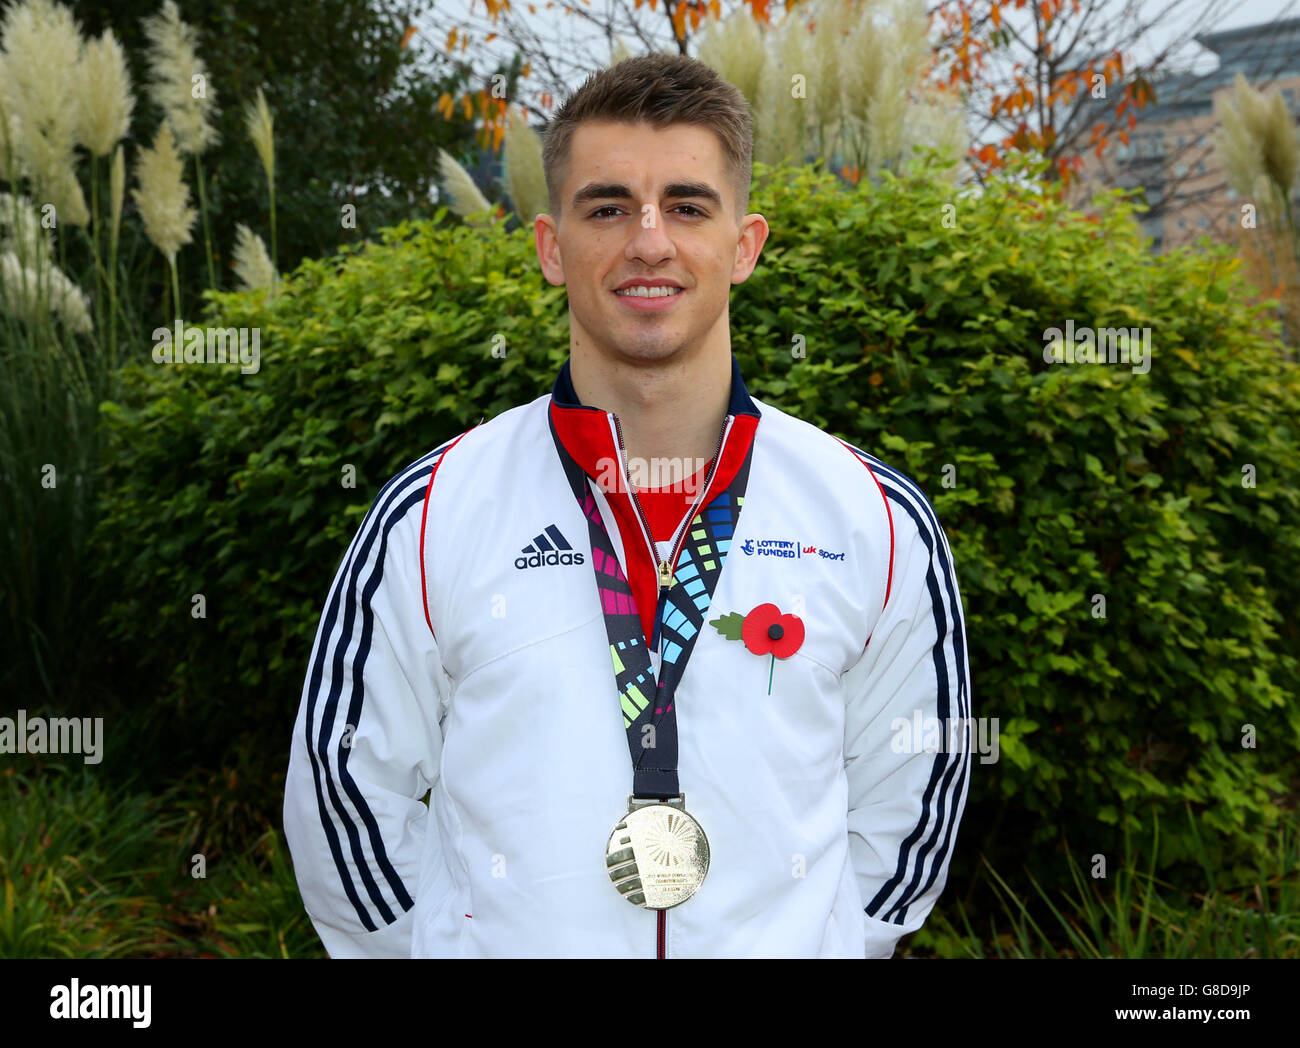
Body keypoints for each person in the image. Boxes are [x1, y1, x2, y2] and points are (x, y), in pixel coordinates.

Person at [283, 52, 971, 959]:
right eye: (607, 207)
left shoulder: (874, 518)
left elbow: (913, 793)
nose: (650, 240)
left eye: (688, 205)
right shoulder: (433, 511)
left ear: (745, 245)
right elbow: (340, 791)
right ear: (550, 247)